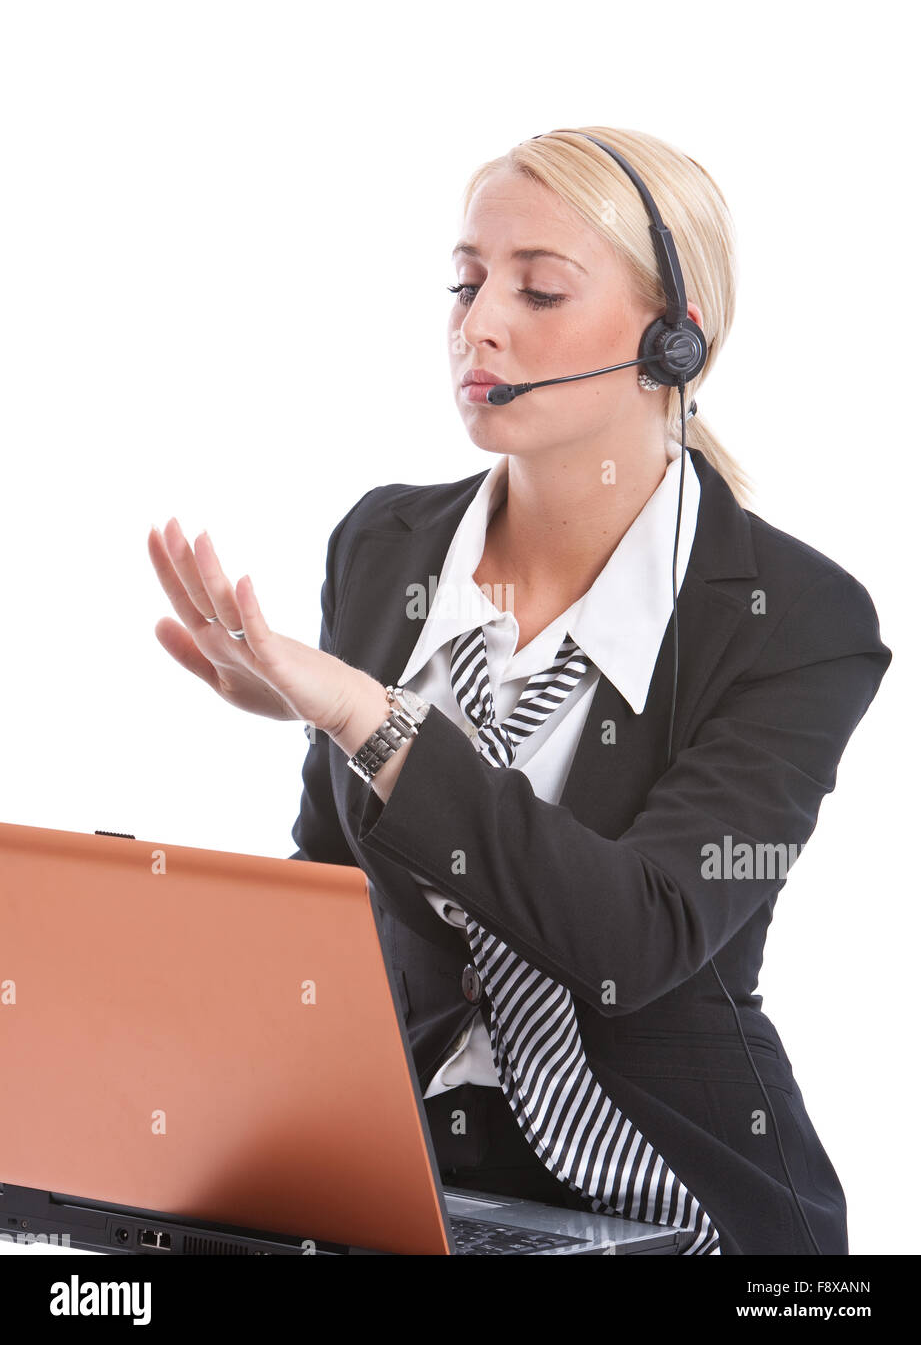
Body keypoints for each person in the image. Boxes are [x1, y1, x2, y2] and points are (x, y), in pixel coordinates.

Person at [147, 126, 892, 1255]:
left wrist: (369, 718)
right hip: (409, 1179)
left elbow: (638, 936)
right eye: (466, 280)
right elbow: (333, 904)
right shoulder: (385, 545)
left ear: (672, 343)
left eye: (538, 289)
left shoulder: (796, 618)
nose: (477, 323)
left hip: (682, 1205)